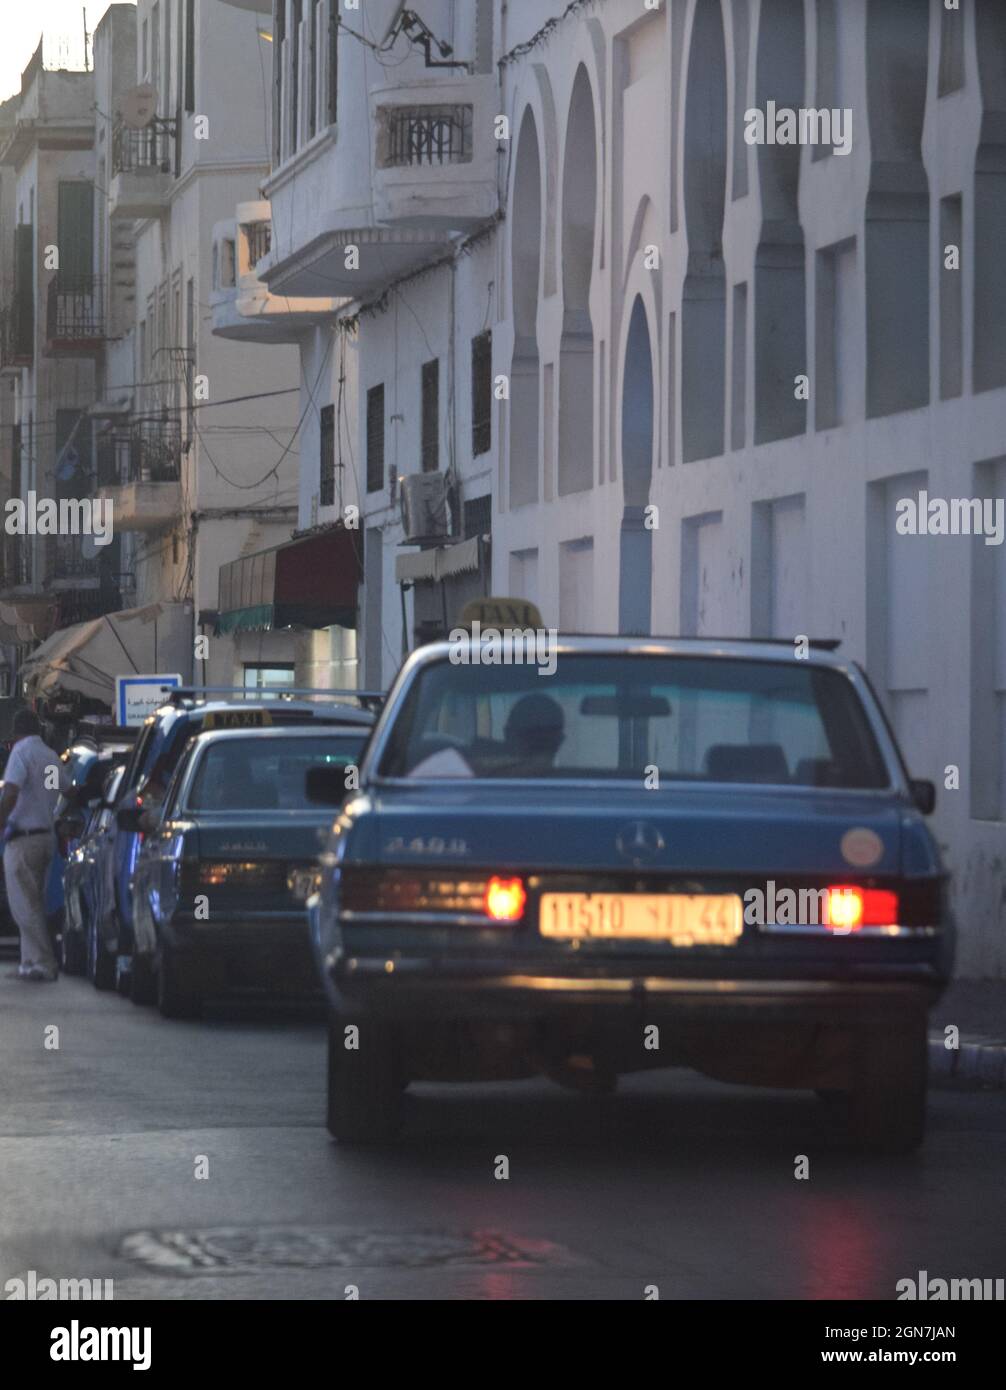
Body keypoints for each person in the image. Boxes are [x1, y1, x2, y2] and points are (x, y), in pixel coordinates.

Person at [0, 709, 68, 982]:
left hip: (23, 839)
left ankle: (44, 961)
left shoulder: (21, 753)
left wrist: (1, 820)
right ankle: (30, 963)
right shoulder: (50, 756)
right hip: (46, 837)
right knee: (34, 901)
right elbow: (68, 790)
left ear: (16, 732)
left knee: (24, 905)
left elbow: (12, 791)